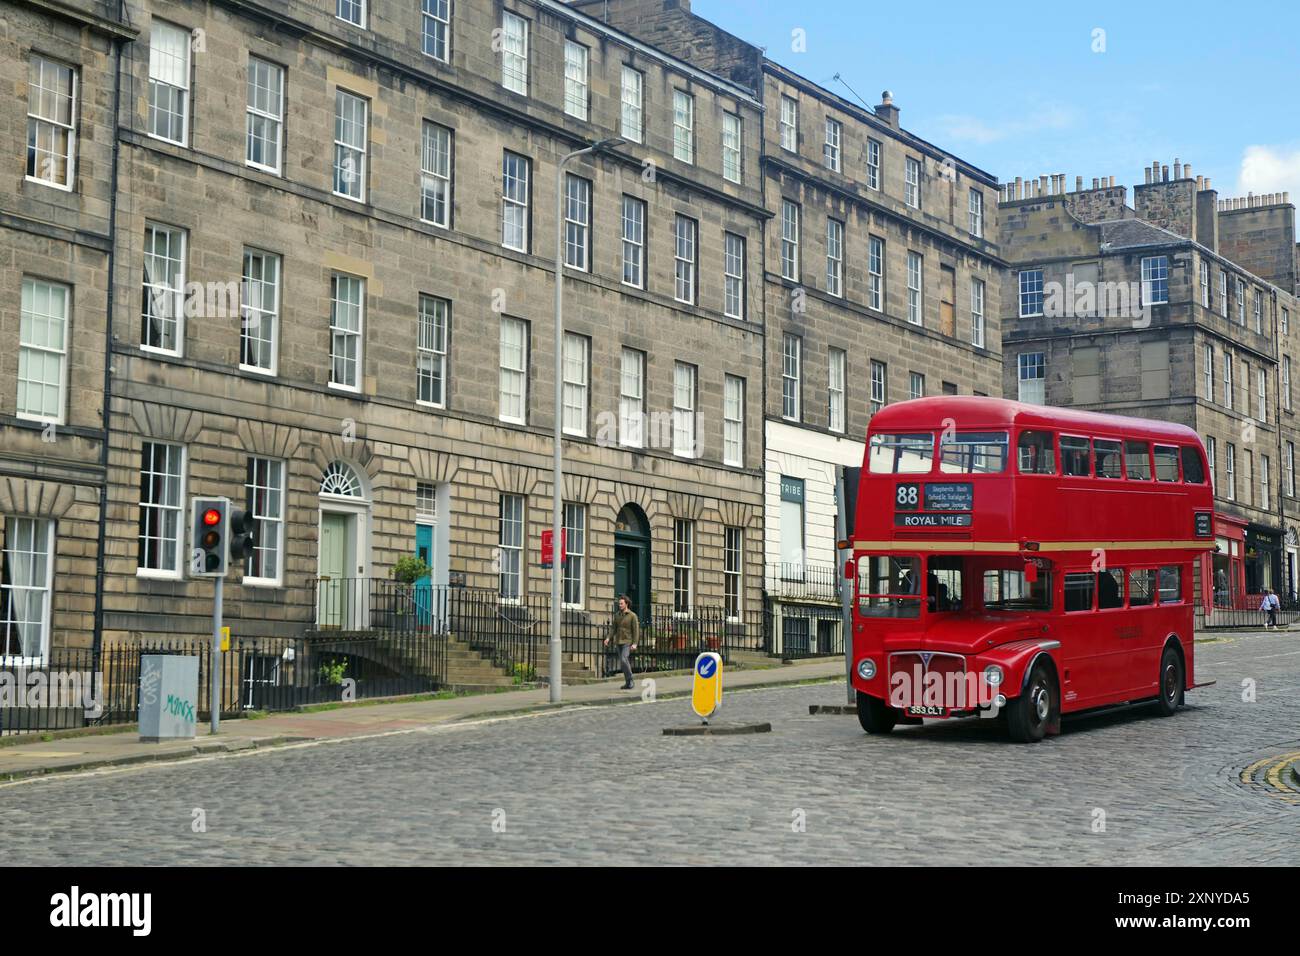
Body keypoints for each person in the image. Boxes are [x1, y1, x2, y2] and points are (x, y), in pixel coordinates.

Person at [604, 594, 639, 689]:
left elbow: (636, 631)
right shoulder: (617, 615)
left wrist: (635, 643)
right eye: (619, 604)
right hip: (618, 641)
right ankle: (628, 682)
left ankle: (631, 679)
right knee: (623, 663)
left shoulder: (632, 616)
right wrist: (608, 638)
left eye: (621, 603)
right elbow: (613, 629)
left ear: (626, 604)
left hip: (627, 641)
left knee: (624, 659)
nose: (619, 605)